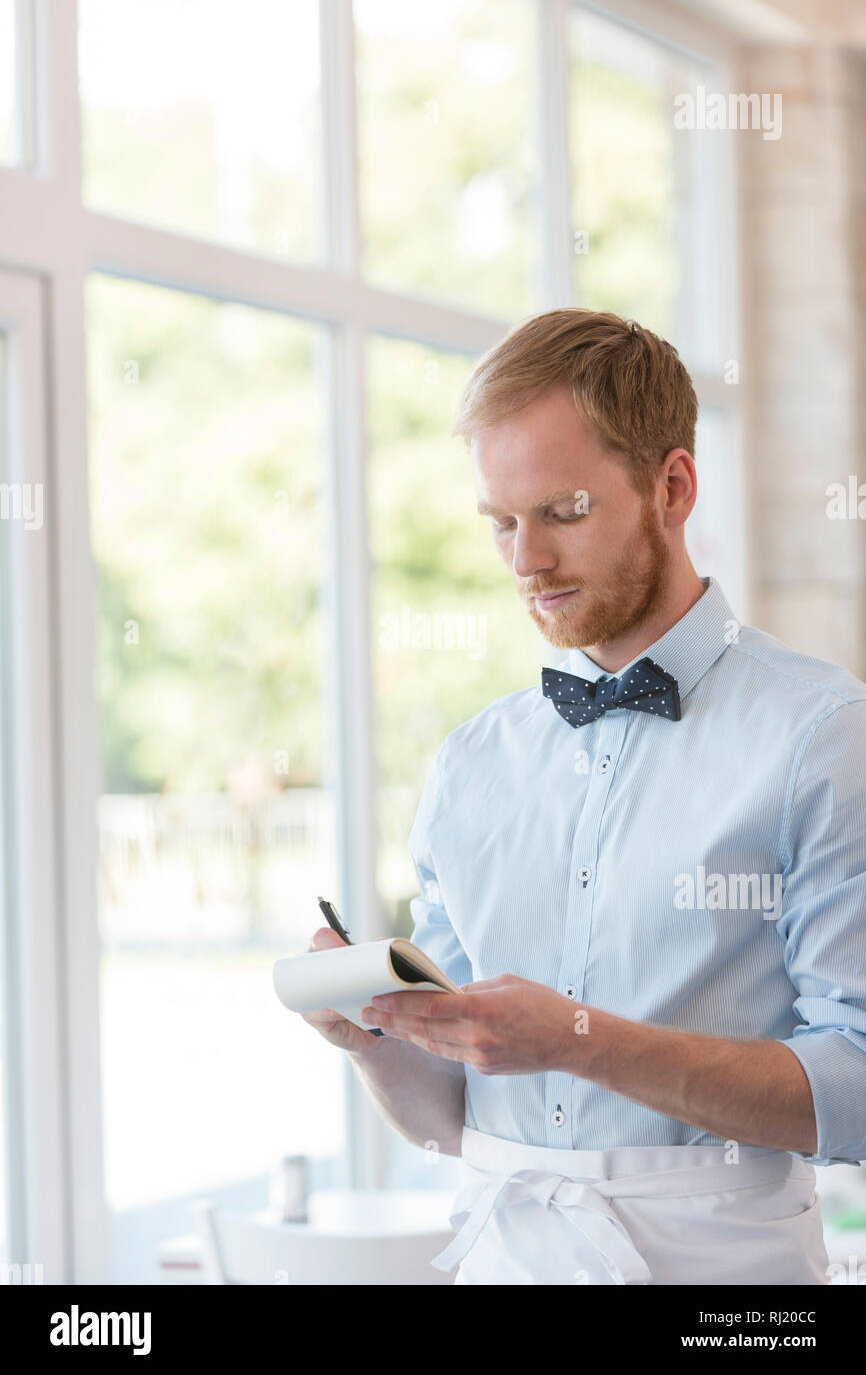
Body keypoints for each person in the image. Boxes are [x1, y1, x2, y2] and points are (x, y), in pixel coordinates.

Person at [301, 308, 866, 1285]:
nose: (525, 560)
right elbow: (453, 1116)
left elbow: (855, 1089)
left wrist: (578, 1039)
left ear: (671, 486)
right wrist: (370, 1036)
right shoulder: (469, 766)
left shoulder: (821, 736)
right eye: (500, 523)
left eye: (561, 512)